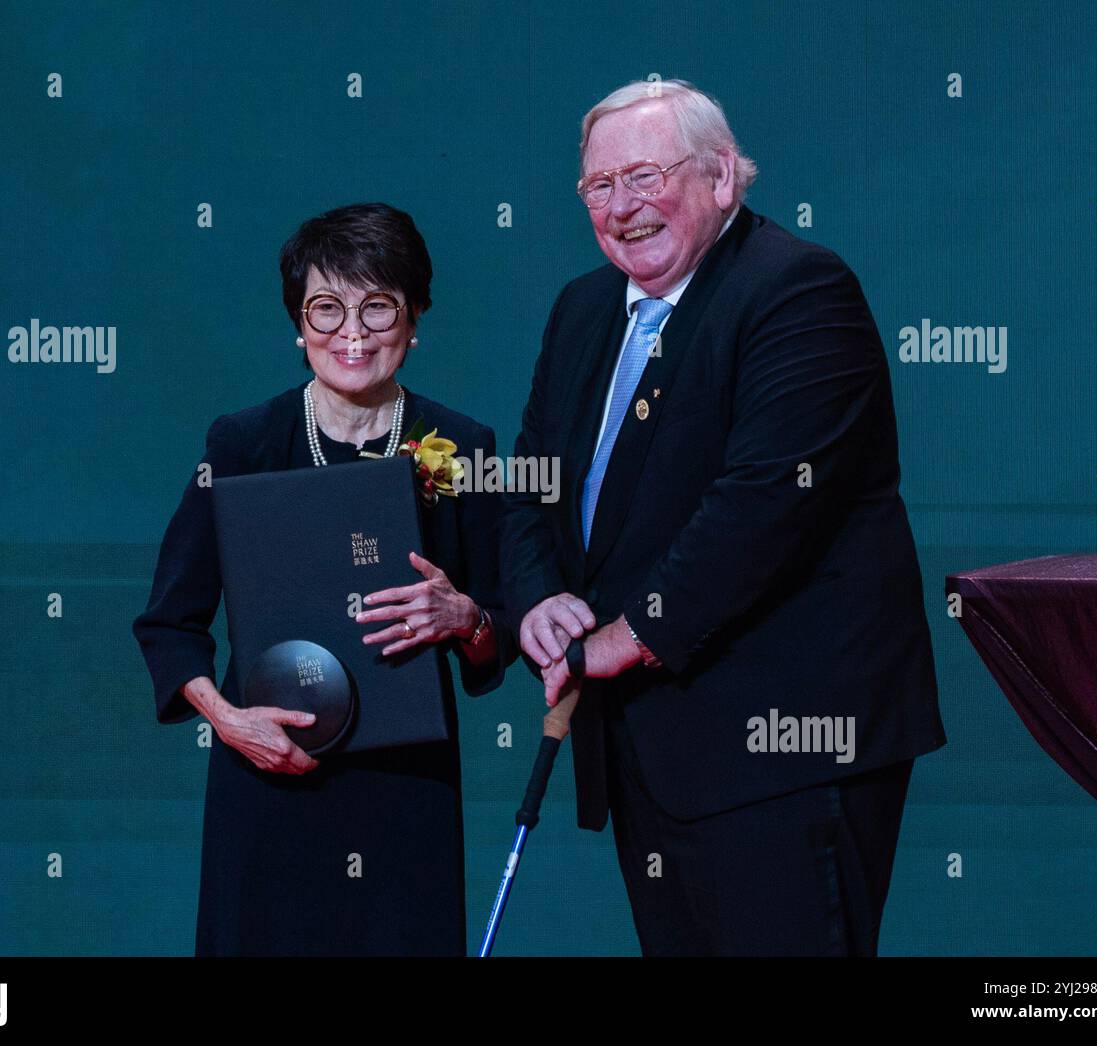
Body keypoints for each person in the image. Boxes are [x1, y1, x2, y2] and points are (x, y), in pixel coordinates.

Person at [500, 79, 947, 956]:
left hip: (781, 750)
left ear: (723, 176)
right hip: (650, 754)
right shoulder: (584, 308)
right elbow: (532, 481)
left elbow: (765, 509)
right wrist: (537, 601)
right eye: (599, 186)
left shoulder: (798, 289)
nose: (622, 207)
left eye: (645, 176)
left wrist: (621, 640)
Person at [133, 202, 516, 956]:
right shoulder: (242, 441)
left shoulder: (465, 446)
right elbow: (170, 623)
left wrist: (463, 617)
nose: (352, 332)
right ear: (297, 325)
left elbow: (497, 637)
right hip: (269, 777)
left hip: (408, 787)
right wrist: (229, 720)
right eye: (326, 307)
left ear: (414, 321)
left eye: (379, 307)